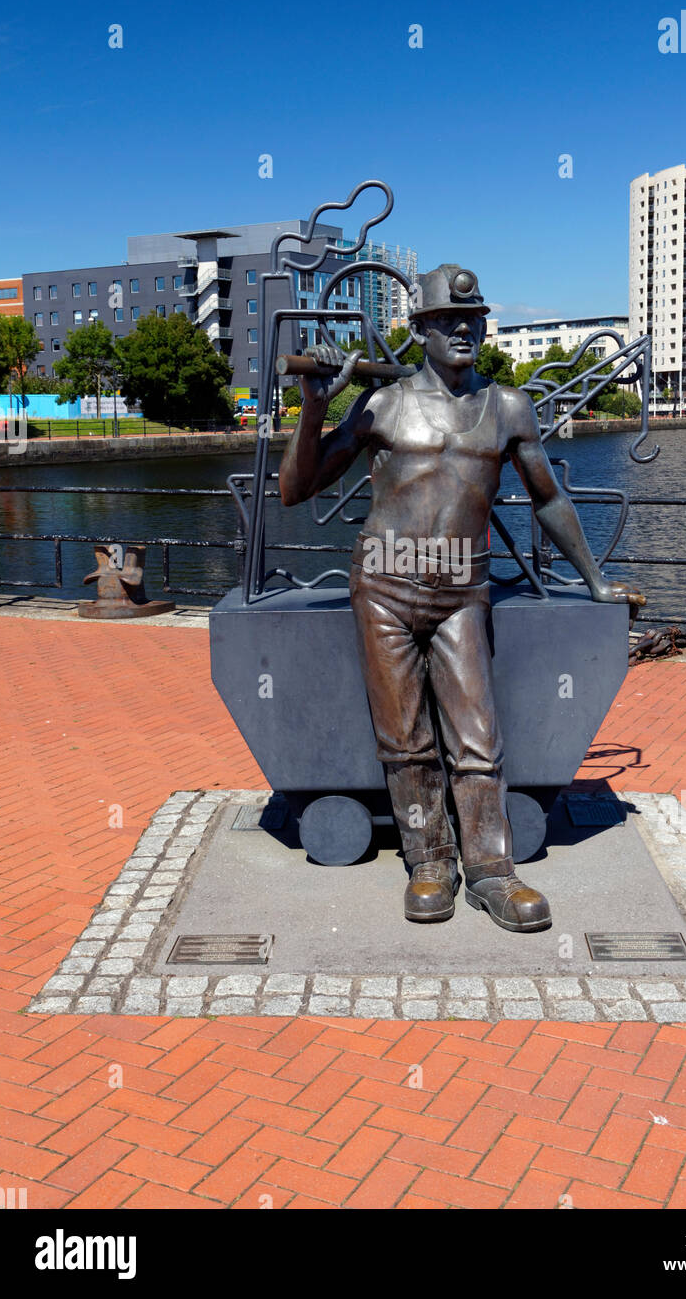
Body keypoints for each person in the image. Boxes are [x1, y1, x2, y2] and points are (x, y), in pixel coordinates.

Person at [279, 265, 645, 933]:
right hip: (384, 585)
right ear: (420, 330)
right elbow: (294, 490)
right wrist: (313, 407)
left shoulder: (506, 407)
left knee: (477, 736)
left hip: (461, 589)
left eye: (471, 319)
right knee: (405, 740)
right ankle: (428, 862)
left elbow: (548, 498)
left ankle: (491, 871)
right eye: (447, 320)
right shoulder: (379, 407)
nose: (462, 330)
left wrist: (594, 579)